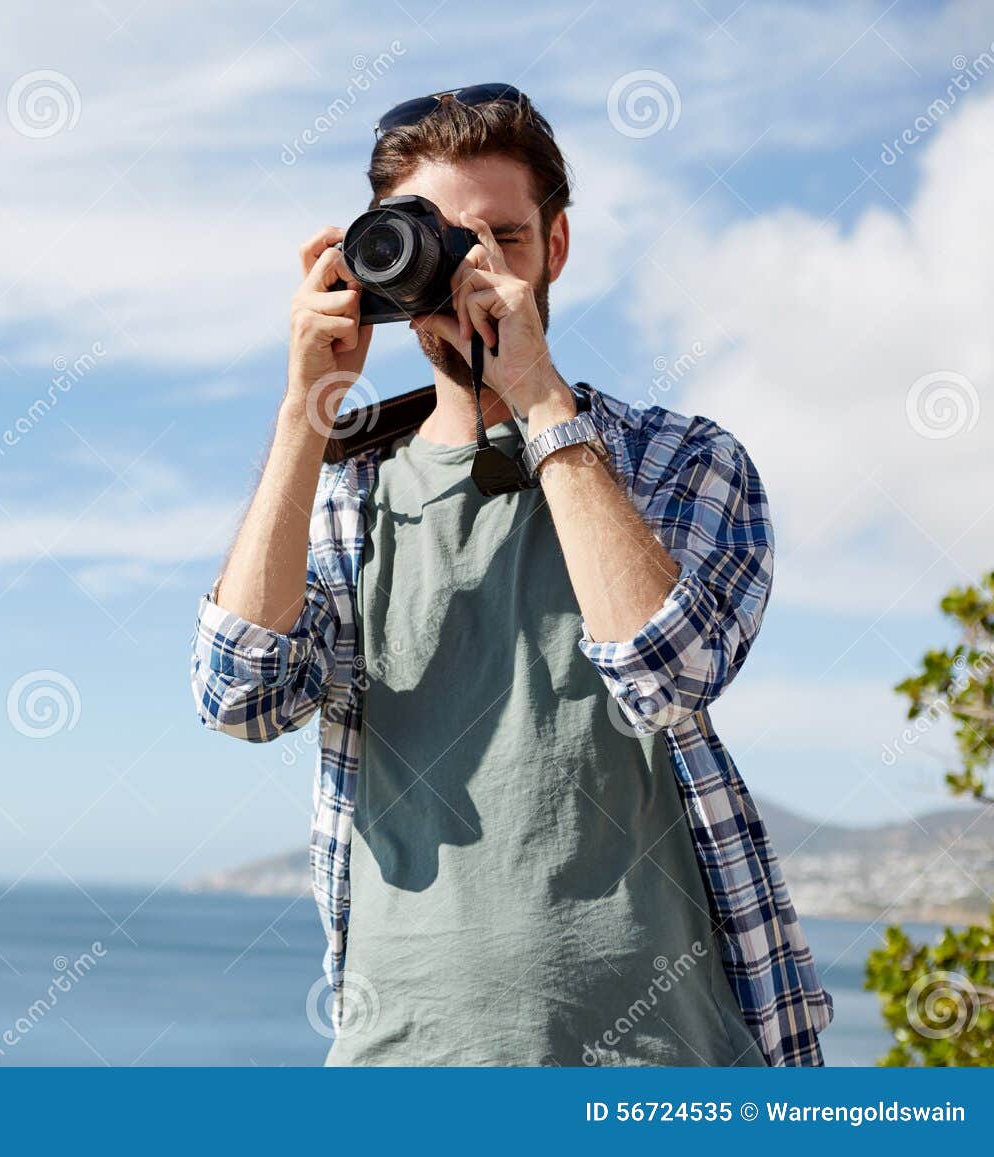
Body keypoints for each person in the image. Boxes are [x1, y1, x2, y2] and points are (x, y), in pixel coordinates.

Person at [189, 85, 831, 1066]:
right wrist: (303, 412)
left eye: (502, 239)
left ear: (556, 247)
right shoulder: (346, 492)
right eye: (441, 241)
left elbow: (670, 672)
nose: (471, 271)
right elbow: (240, 696)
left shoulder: (683, 463)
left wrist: (536, 396)